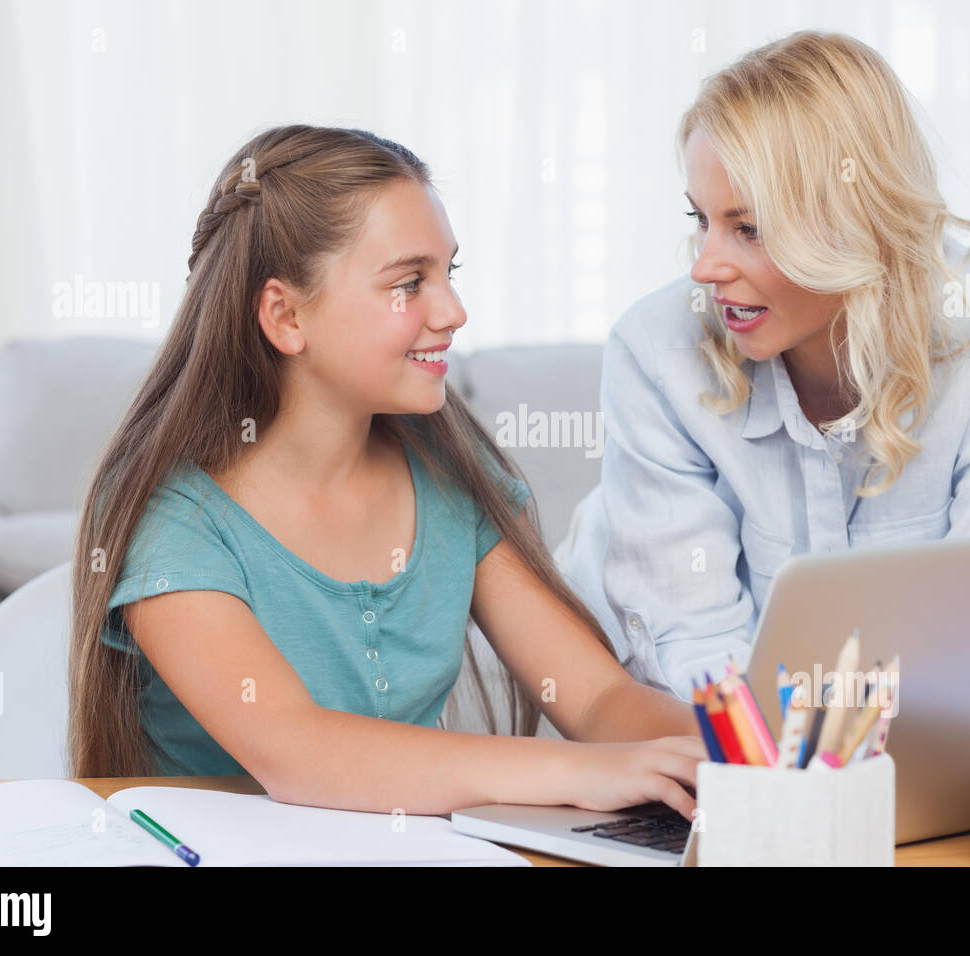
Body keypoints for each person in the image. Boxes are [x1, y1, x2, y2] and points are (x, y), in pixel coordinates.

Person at [69, 125, 705, 820]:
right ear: (285, 315)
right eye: (409, 283)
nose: (454, 312)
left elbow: (595, 697)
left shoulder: (451, 477)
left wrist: (743, 759)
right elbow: (295, 749)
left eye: (447, 274)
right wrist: (586, 773)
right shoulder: (177, 515)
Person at [557, 32, 970, 698]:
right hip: (676, 725)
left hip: (870, 755)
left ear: (856, 222)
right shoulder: (656, 353)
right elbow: (700, 653)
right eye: (702, 219)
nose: (704, 266)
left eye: (750, 228)